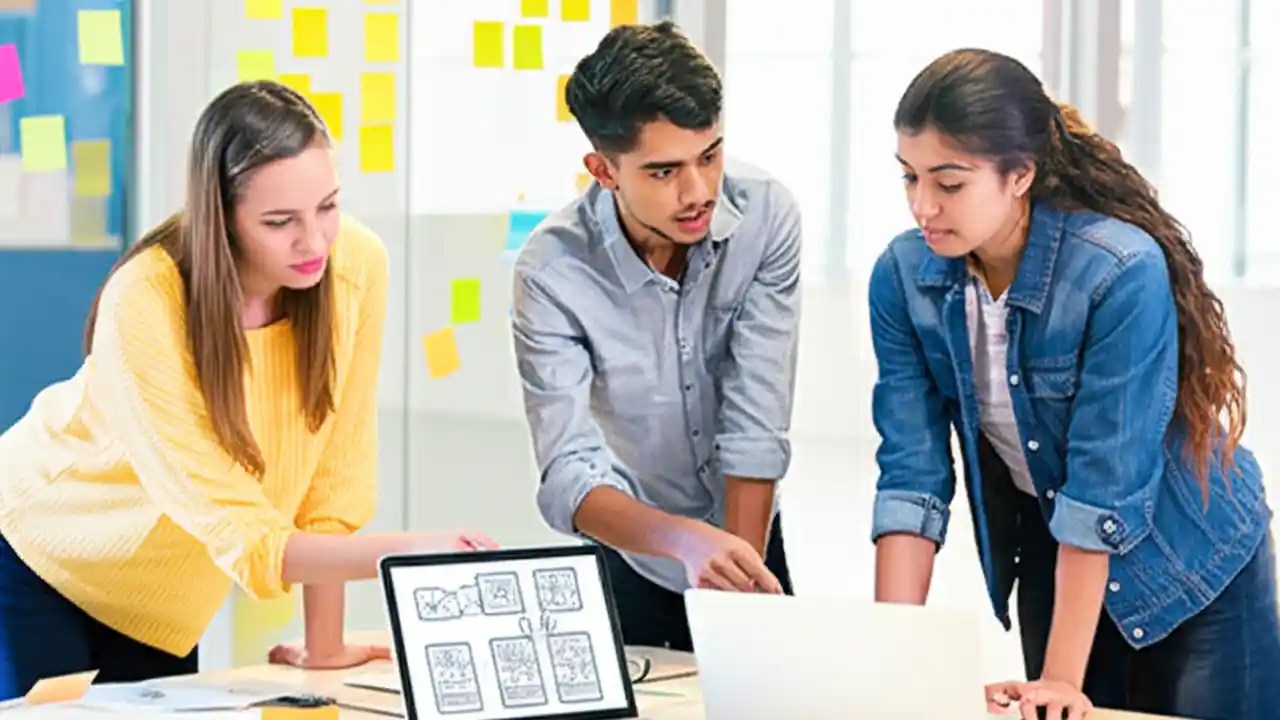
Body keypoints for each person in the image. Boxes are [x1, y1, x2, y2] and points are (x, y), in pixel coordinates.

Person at [0, 81, 497, 701]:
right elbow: (238, 527)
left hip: (163, 597)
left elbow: (334, 479)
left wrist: (324, 646)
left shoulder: (355, 265)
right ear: (223, 218)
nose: (314, 241)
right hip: (42, 553)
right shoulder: (146, 299)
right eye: (279, 222)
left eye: (328, 206)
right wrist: (412, 552)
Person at [868, 47, 1280, 720]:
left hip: (1190, 562)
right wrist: (891, 665)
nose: (923, 206)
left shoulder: (1117, 270)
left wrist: (1061, 680)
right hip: (1057, 548)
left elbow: (1102, 484)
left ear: (1019, 175)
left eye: (949, 183)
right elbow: (911, 476)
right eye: (909, 177)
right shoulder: (903, 278)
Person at [509, 21, 803, 652]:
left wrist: (737, 586)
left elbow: (756, 422)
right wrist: (684, 541)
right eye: (664, 171)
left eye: (710, 156)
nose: (698, 192)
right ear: (604, 170)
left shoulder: (766, 218)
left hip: (746, 535)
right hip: (631, 549)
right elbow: (568, 473)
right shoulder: (553, 272)